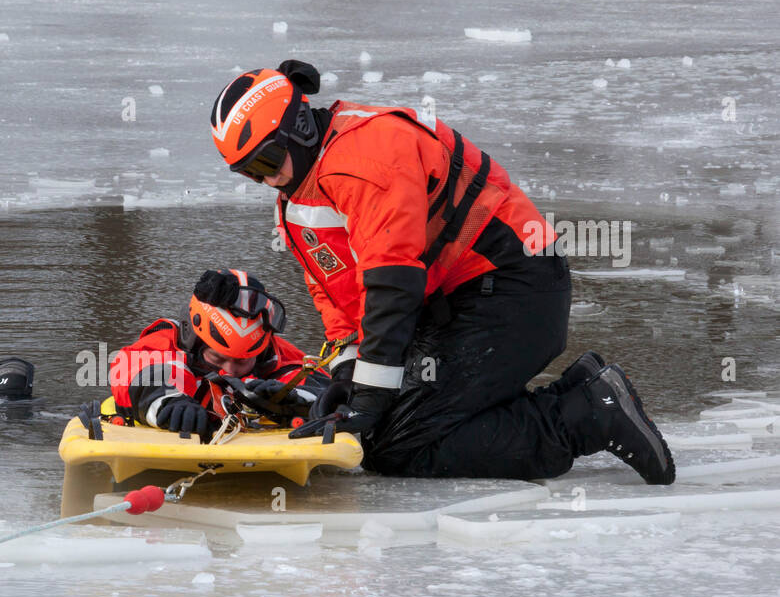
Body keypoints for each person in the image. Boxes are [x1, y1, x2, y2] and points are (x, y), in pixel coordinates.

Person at [207, 60, 675, 484]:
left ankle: (586, 413)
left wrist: (371, 396)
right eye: (249, 172)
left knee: (397, 447)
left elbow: (392, 285)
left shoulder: (365, 158)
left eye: (267, 161)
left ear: (300, 127)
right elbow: (344, 296)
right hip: (462, 299)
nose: (265, 180)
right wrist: (349, 376)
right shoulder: (301, 195)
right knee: (379, 432)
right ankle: (579, 390)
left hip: (514, 286)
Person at [109, 269, 328, 436]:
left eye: (242, 362)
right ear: (195, 339)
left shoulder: (279, 355)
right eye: (217, 358)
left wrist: (292, 397)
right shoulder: (165, 344)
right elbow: (131, 368)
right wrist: (168, 402)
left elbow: (324, 388)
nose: (230, 372)